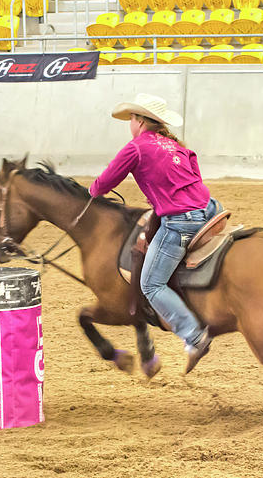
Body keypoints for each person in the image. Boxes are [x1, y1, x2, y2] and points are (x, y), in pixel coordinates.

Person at [88, 94, 219, 375]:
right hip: (209, 209)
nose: (130, 124)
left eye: (131, 119)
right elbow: (194, 176)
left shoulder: (136, 147)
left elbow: (106, 181)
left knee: (151, 284)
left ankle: (194, 337)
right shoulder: (177, 146)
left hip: (181, 221)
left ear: (139, 121)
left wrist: (92, 191)